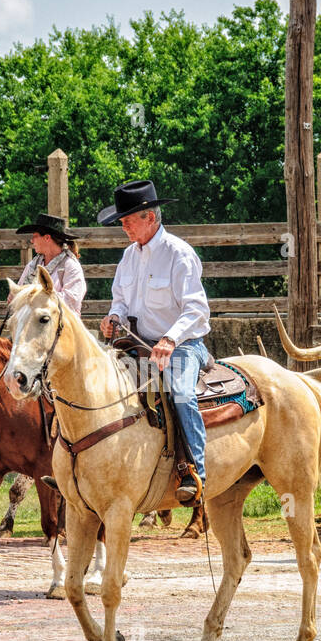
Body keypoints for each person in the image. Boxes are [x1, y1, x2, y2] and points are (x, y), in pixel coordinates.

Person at [97, 180, 212, 504]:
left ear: (149, 217)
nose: (123, 226)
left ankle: (195, 471)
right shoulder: (128, 257)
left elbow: (196, 308)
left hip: (183, 345)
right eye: (122, 221)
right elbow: (120, 300)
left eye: (128, 220)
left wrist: (169, 339)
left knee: (182, 393)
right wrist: (113, 318)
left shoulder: (179, 254)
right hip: (136, 344)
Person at [14, 213, 86, 314]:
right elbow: (20, 292)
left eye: (35, 236)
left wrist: (37, 297)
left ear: (47, 238)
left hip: (62, 326)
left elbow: (71, 301)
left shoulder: (70, 266)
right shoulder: (32, 266)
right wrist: (15, 296)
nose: (32, 240)